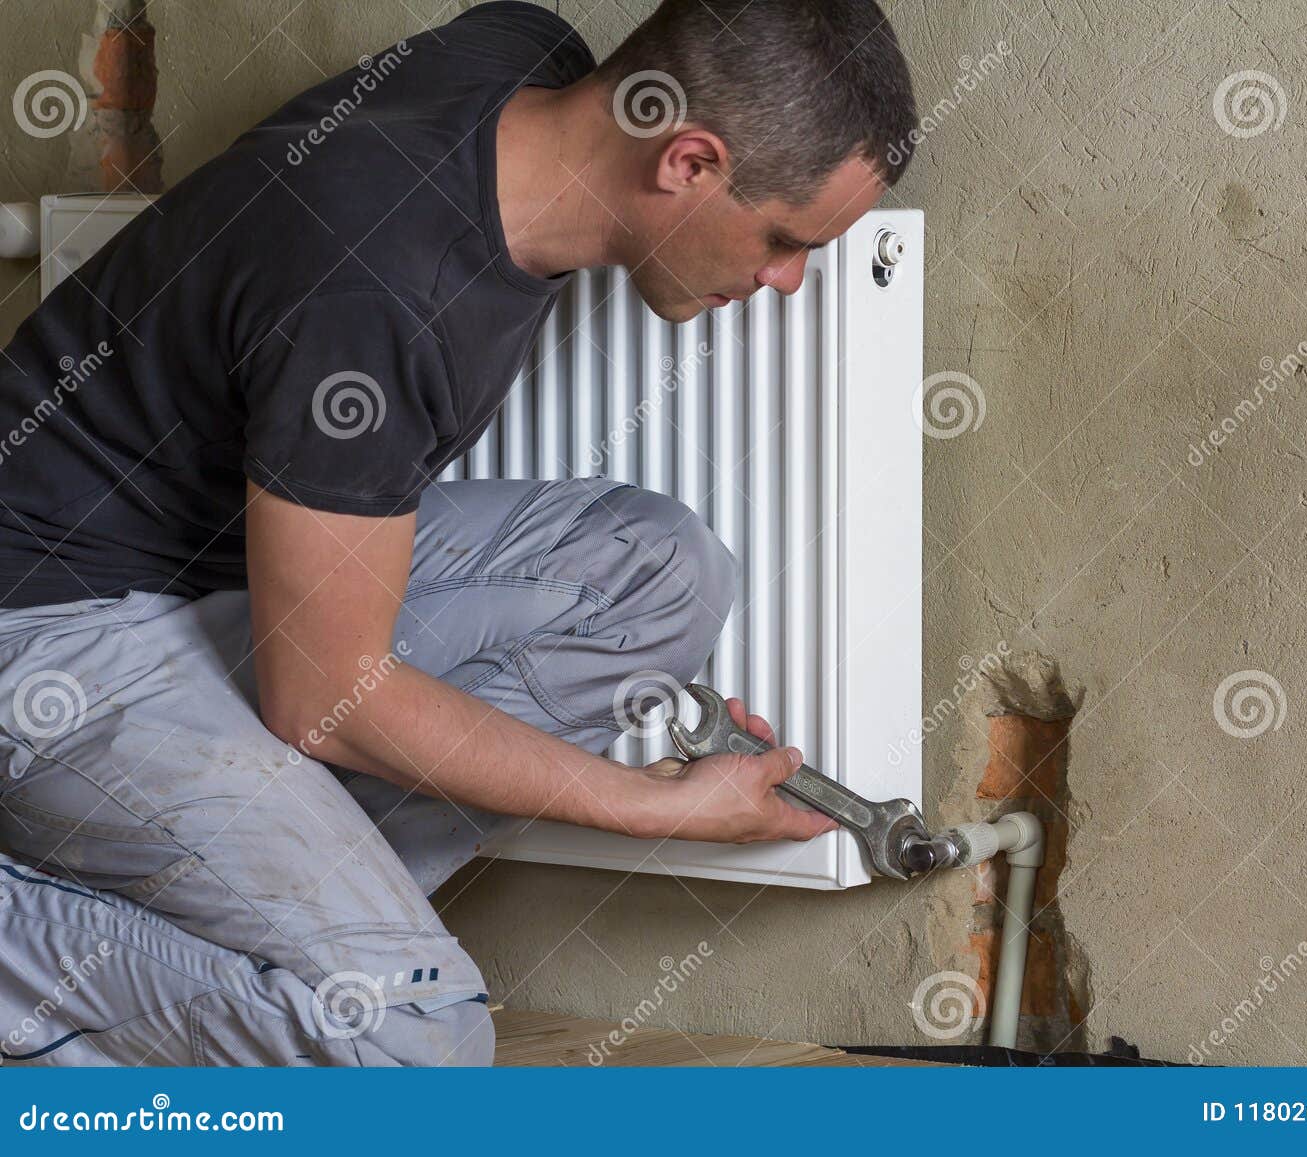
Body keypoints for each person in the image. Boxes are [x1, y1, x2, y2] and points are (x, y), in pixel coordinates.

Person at [0, 0, 917, 1065]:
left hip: (222, 579)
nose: (786, 279)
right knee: (413, 1042)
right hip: (46, 633)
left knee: (655, 573)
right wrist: (653, 805)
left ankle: (243, 919)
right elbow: (320, 702)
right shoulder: (377, 297)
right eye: (782, 238)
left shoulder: (523, 56)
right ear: (688, 162)